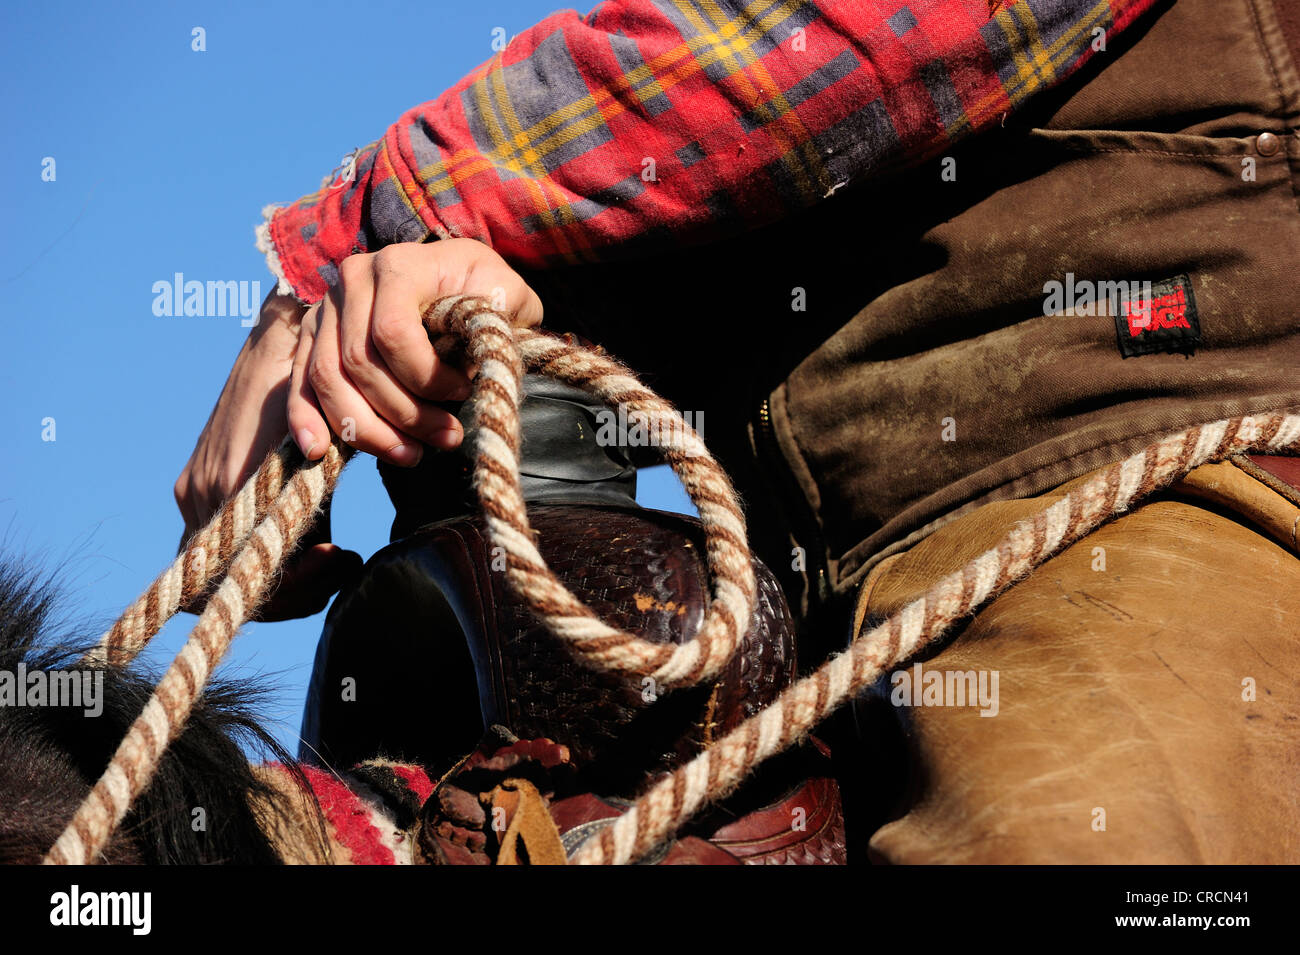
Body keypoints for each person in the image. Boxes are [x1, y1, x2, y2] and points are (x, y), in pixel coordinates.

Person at [176, 0, 1300, 862]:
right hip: (808, 579)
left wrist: (383, 219)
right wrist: (440, 306)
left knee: (1075, 835)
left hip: (1156, 452)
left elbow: (853, 40)